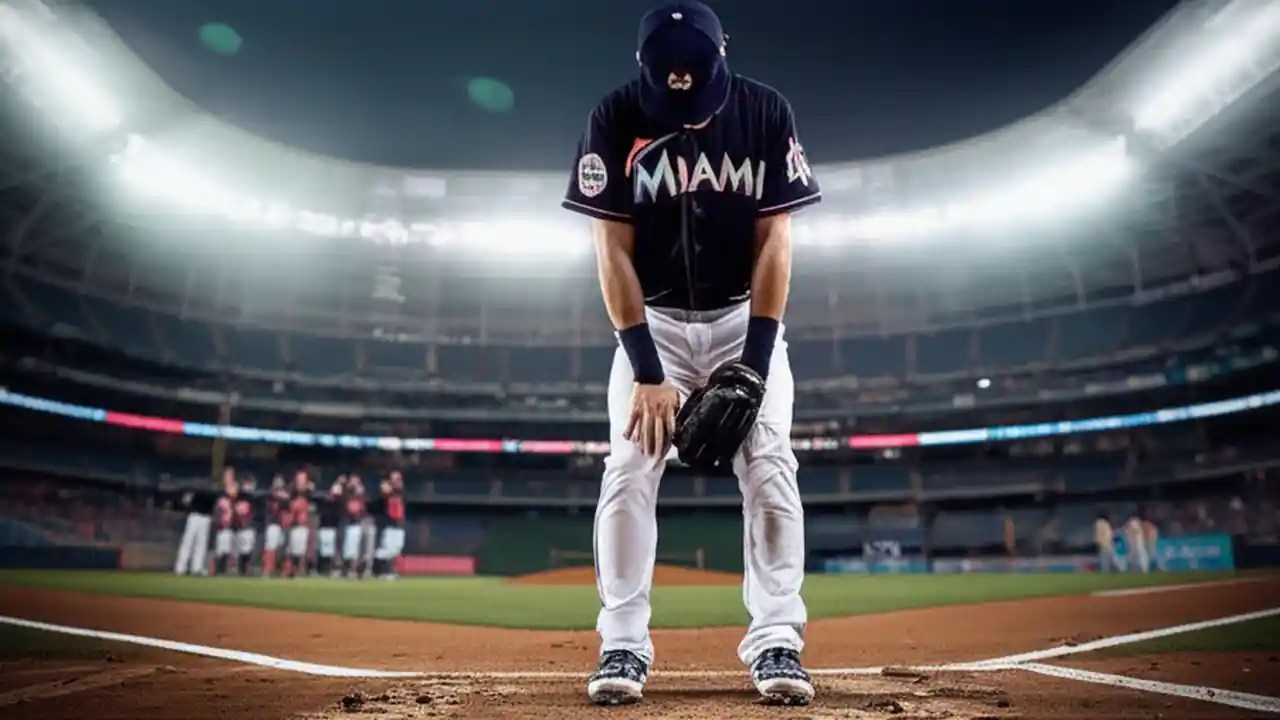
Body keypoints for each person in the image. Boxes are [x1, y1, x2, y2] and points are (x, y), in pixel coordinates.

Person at [561, 1, 820, 706]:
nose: (686, 104)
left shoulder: (766, 113)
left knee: (769, 463)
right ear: (644, 71)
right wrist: (647, 369)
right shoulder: (614, 118)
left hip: (742, 319)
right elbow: (610, 252)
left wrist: (756, 365)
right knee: (629, 467)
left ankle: (776, 642)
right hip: (657, 326)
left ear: (724, 52)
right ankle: (622, 643)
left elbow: (776, 242)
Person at [173, 479, 218, 576]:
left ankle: (196, 568)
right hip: (194, 516)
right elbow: (184, 503)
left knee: (201, 544)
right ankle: (180, 568)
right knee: (188, 542)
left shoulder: (213, 491)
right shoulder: (193, 490)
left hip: (206, 518)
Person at [373, 470, 407, 579]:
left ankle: (390, 571)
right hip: (389, 524)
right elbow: (385, 491)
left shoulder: (400, 491)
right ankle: (379, 571)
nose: (397, 481)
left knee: (396, 549)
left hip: (399, 525)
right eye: (395, 478)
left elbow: (399, 489)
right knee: (386, 549)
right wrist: (387, 484)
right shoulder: (387, 492)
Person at [315, 475, 345, 577]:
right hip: (324, 527)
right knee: (323, 549)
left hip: (334, 527)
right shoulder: (324, 500)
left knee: (332, 550)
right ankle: (322, 569)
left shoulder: (340, 502)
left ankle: (331, 568)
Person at [286, 469, 314, 577]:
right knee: (292, 549)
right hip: (293, 525)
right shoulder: (291, 493)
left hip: (304, 525)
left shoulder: (310, 493)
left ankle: (301, 570)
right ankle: (291, 569)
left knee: (302, 550)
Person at [261, 475, 290, 577]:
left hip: (283, 525)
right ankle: (268, 569)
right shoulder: (270, 495)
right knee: (270, 547)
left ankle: (282, 570)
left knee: (282, 548)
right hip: (273, 524)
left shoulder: (286, 495)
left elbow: (287, 501)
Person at [212, 468, 238, 575]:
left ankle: (232, 571)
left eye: (231, 475)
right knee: (221, 549)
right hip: (223, 525)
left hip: (236, 526)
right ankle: (219, 571)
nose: (229, 477)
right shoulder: (220, 492)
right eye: (227, 475)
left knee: (234, 551)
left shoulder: (237, 489)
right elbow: (216, 510)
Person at [341, 474, 368, 578]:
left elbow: (365, 506)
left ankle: (358, 569)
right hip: (347, 523)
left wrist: (361, 494)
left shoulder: (362, 495)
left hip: (358, 523)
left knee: (358, 547)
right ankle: (348, 569)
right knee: (348, 548)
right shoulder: (345, 494)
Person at [233, 475, 257, 576]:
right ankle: (240, 569)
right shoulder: (237, 497)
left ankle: (246, 569)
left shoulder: (254, 499)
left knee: (247, 550)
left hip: (249, 527)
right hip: (238, 528)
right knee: (239, 550)